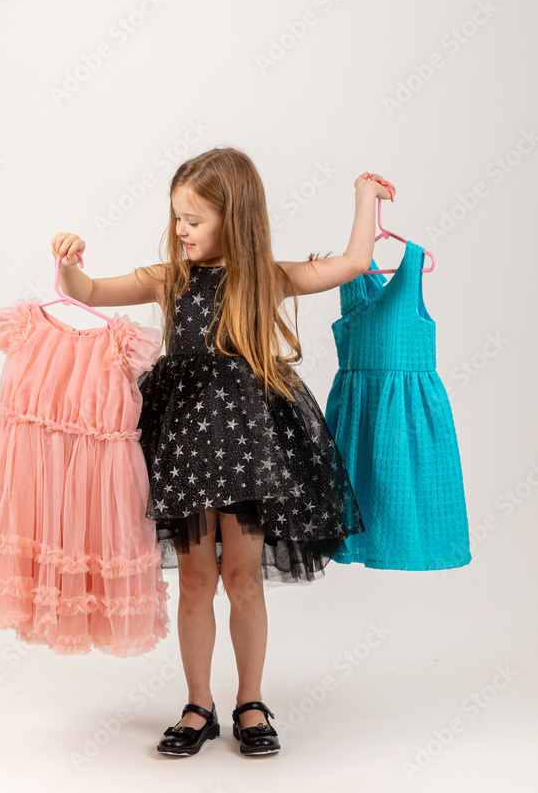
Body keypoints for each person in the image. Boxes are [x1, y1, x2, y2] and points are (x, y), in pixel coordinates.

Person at [51, 147, 394, 757]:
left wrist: (364, 196)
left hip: (247, 448)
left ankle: (251, 702)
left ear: (233, 218)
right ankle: (198, 704)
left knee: (243, 579)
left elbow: (352, 263)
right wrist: (70, 262)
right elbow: (91, 291)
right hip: (185, 446)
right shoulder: (170, 278)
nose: (181, 230)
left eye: (194, 219)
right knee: (194, 580)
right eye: (177, 217)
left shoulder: (264, 277)